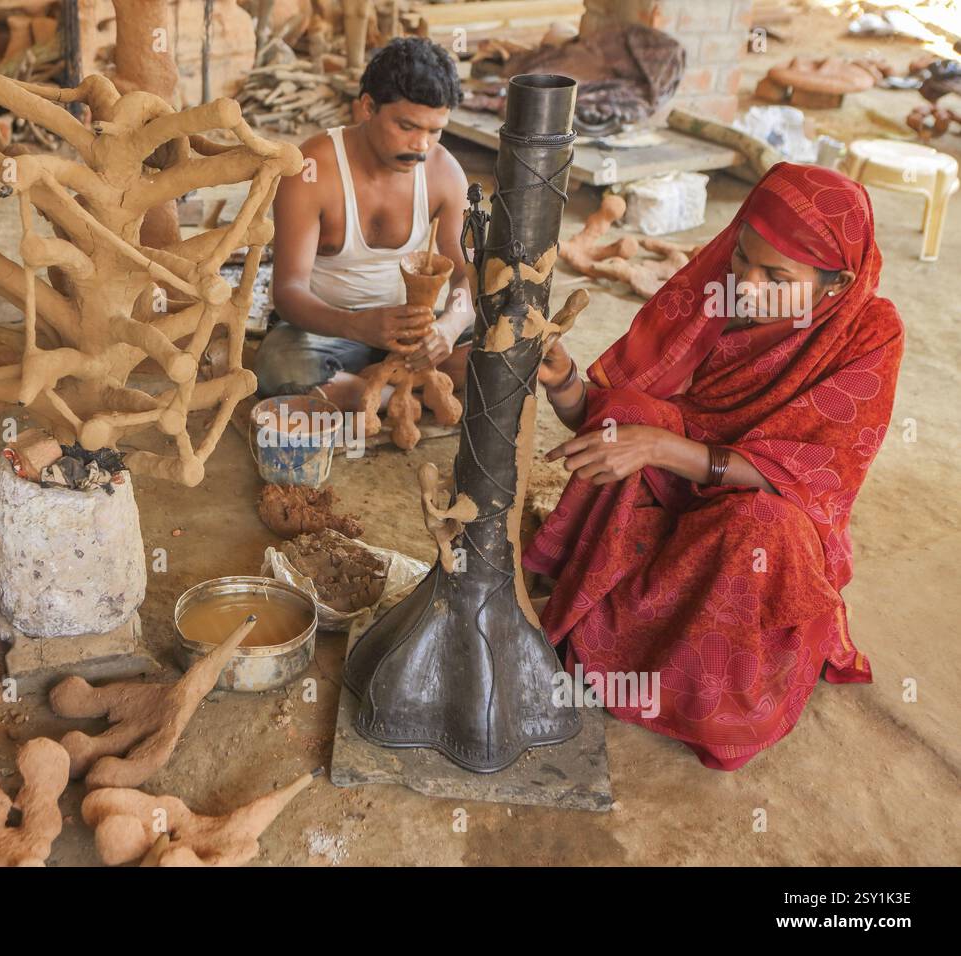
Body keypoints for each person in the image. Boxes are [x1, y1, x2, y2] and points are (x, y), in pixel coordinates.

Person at [525, 163, 904, 770]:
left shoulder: (870, 334)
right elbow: (606, 414)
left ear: (837, 285)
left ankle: (699, 693)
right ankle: (611, 625)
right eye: (742, 259)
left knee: (755, 530)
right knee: (630, 416)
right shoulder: (721, 288)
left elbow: (816, 476)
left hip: (774, 509)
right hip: (697, 472)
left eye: (776, 277)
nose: (747, 287)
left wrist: (659, 447)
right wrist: (565, 383)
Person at [255, 36, 476, 409]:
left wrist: (450, 326)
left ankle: (379, 395)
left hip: (417, 335)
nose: (422, 145)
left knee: (511, 340)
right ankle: (410, 396)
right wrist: (357, 326)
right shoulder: (312, 169)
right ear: (367, 108)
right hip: (325, 331)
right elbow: (288, 292)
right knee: (278, 365)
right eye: (407, 126)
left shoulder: (445, 173)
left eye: (434, 130)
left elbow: (467, 274)